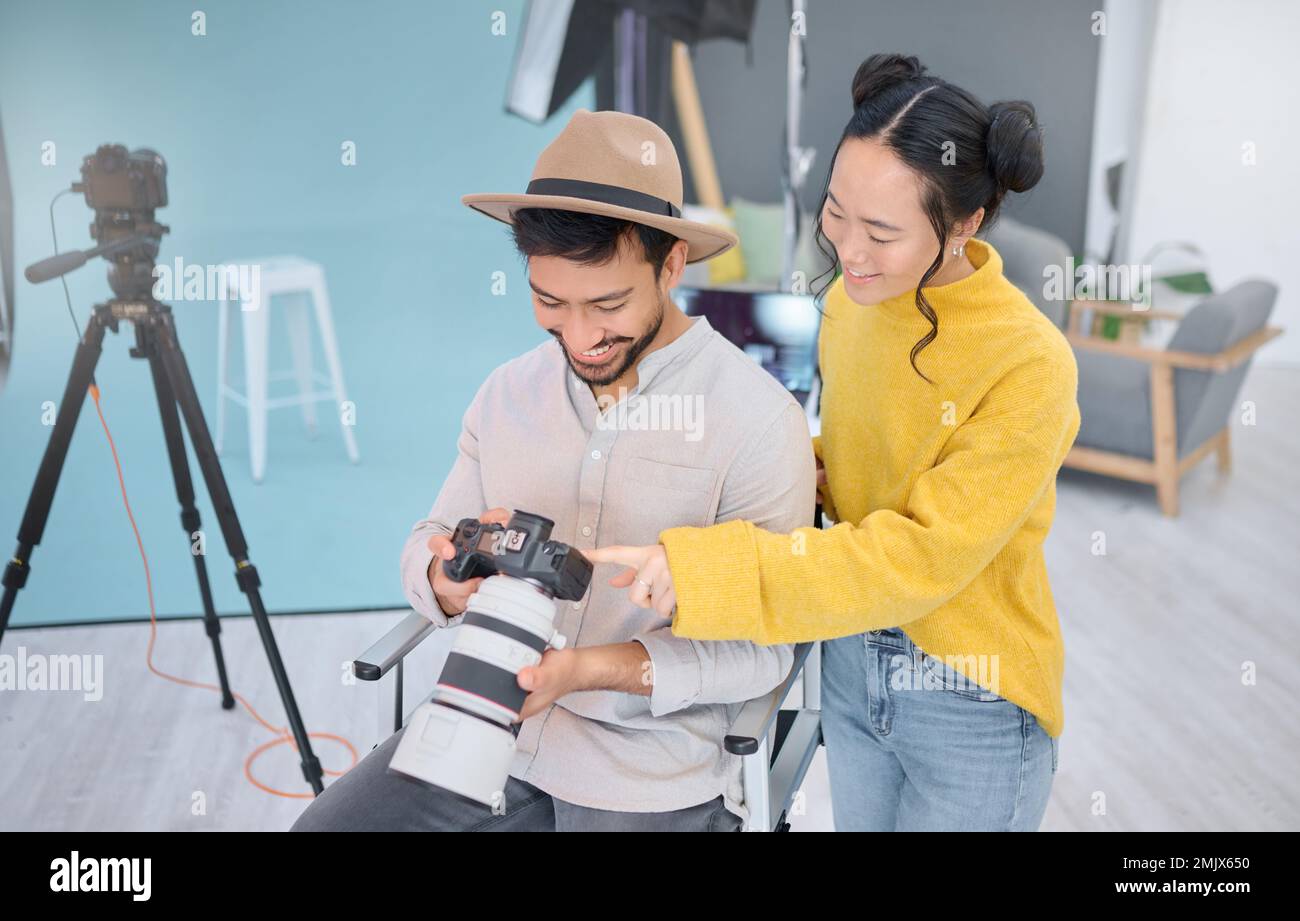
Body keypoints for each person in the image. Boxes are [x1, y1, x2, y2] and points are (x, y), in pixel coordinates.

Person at [588, 54, 1081, 832]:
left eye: (882, 231)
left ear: (964, 226)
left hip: (971, 700)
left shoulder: (1029, 363)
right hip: (850, 661)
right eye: (836, 212)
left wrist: (708, 572)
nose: (847, 250)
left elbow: (919, 556)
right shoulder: (856, 305)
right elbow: (860, 464)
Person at [291, 109, 814, 832]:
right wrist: (449, 576)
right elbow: (427, 543)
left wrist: (589, 668)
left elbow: (762, 651)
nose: (579, 336)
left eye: (607, 304)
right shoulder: (509, 393)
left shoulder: (757, 420)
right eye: (549, 302)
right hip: (477, 734)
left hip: (644, 772)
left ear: (670, 266)